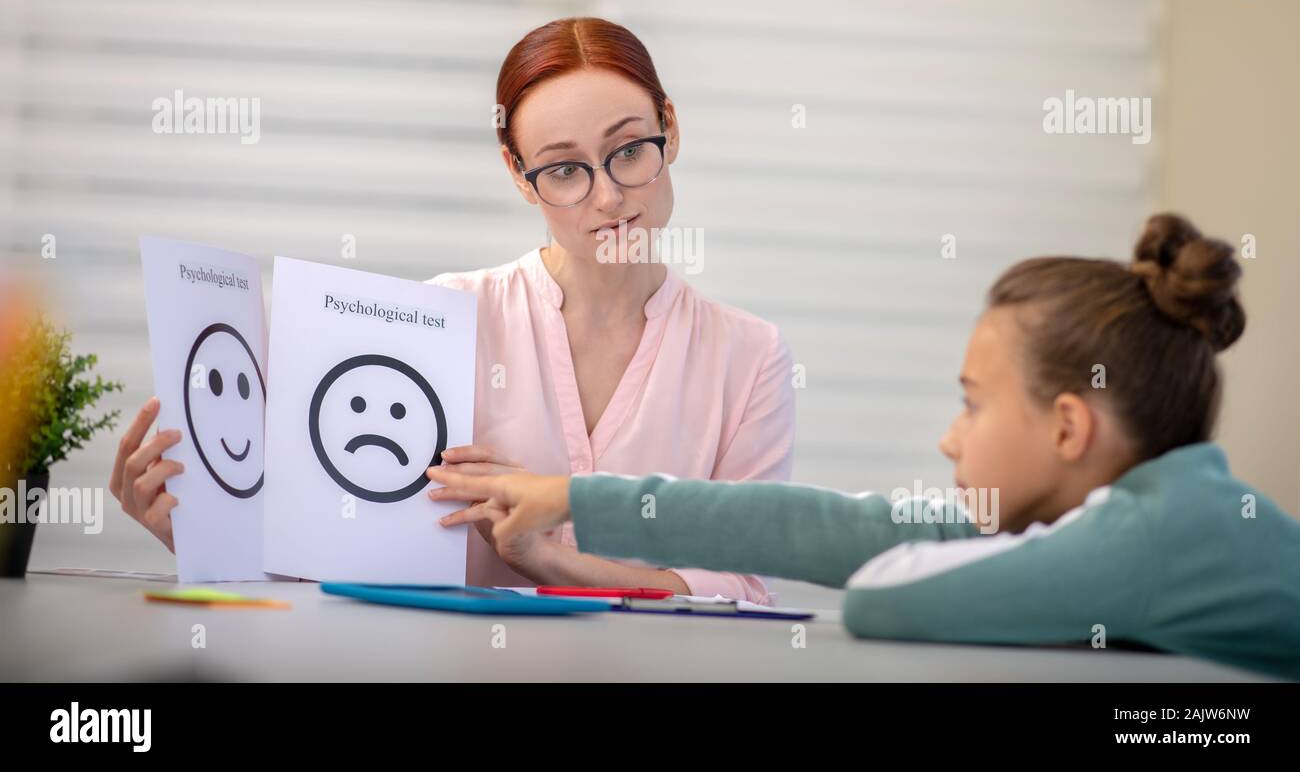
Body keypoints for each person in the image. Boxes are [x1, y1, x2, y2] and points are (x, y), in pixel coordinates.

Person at [428, 213, 1300, 680]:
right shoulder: (1129, 511)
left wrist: (920, 542)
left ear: (1069, 428)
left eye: (972, 406)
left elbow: (891, 597)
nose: (950, 437)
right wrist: (574, 498)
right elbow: (831, 528)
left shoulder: (1151, 536)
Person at [110, 17, 796, 602]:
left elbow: (741, 585)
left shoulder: (749, 358)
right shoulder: (440, 320)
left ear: (669, 127)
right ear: (518, 174)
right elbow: (334, 552)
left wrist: (550, 562)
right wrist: (204, 530)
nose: (609, 197)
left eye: (628, 151)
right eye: (564, 169)